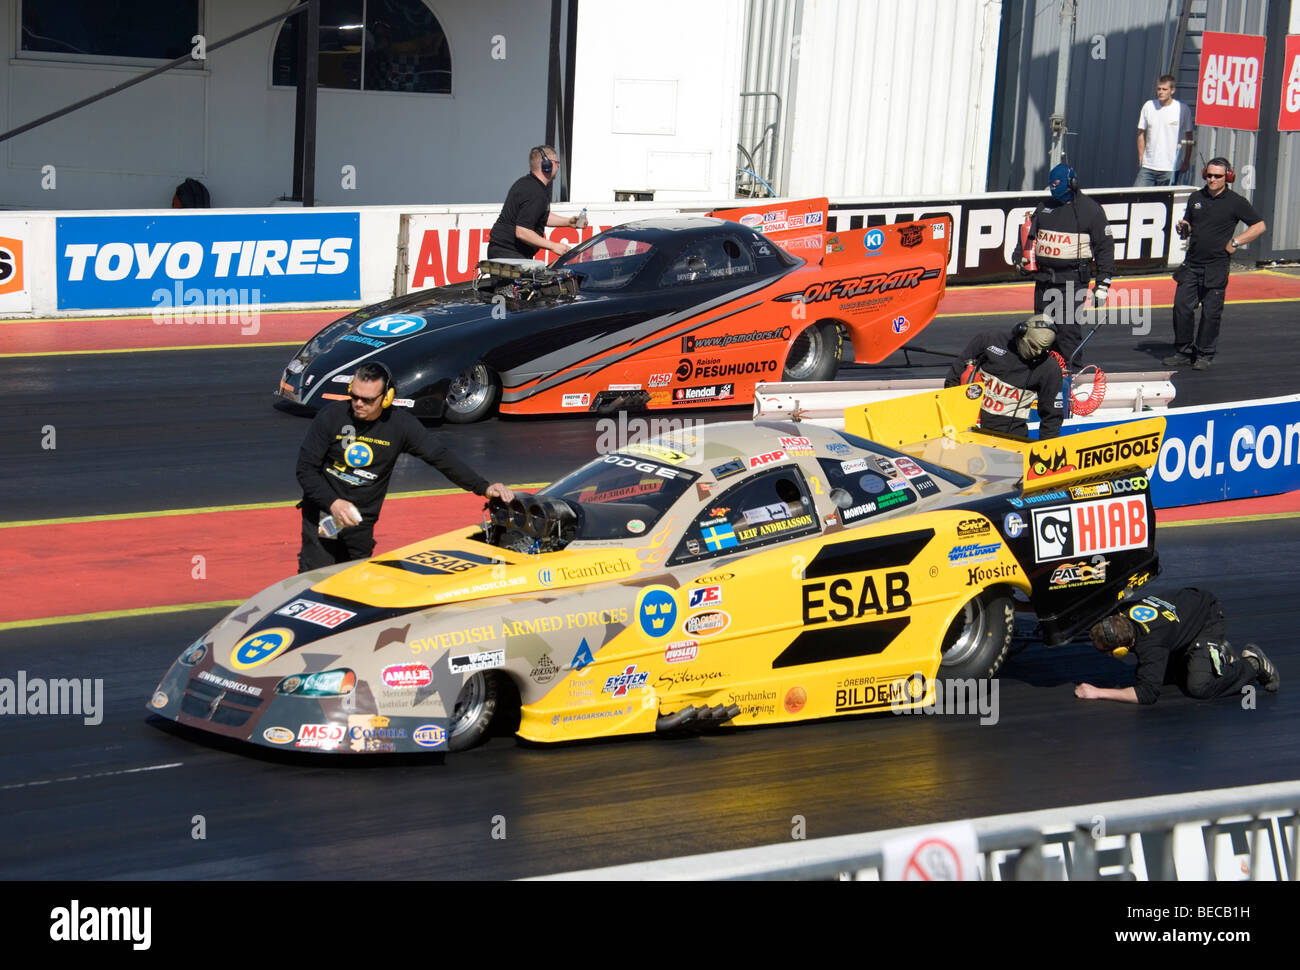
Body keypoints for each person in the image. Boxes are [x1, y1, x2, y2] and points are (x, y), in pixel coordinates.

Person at [295, 362, 514, 572]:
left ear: (386, 398)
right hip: (324, 512)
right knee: (314, 577)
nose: (358, 404)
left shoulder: (401, 426)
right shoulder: (331, 416)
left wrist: (482, 487)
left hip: (361, 519)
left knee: (355, 580)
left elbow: (441, 457)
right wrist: (333, 503)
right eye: (355, 396)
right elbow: (305, 470)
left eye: (368, 400)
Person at [1076, 588, 1279, 704]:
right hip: (1186, 610)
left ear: (1120, 650)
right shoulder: (1121, 612)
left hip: (1207, 621)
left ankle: (1253, 663)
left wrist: (1097, 692)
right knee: (1166, 676)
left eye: (1102, 650)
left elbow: (1147, 694)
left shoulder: (1151, 645)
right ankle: (1213, 656)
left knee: (1199, 686)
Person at [1162, 157, 1266, 370]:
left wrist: (1236, 241)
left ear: (1227, 177)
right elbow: (1189, 223)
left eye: (1217, 176)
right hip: (1192, 264)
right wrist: (1185, 228)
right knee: (1181, 308)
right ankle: (1182, 350)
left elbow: (1259, 226)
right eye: (1209, 175)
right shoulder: (1195, 198)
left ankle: (1204, 354)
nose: (1212, 179)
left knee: (1211, 313)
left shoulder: (1236, 202)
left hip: (1216, 266)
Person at [1013, 164, 1114, 364]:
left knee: (1067, 332)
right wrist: (1019, 259)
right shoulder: (1043, 208)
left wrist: (1103, 283)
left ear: (1072, 183)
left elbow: (1105, 248)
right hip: (1044, 280)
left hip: (1072, 281)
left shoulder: (1090, 210)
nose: (1053, 188)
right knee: (1040, 331)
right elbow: (1027, 238)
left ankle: (1071, 376)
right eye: (1051, 185)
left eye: (1057, 184)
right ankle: (1042, 375)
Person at [944, 315, 1064, 439]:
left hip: (1012, 440)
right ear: (1021, 332)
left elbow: (1052, 417)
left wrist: (1046, 450)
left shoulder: (1049, 368)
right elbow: (954, 378)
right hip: (967, 431)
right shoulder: (988, 340)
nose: (1037, 353)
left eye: (1043, 349)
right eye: (1033, 346)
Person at [486, 145, 585, 261]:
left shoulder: (528, 184)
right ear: (547, 165)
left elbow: (538, 215)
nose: (558, 167)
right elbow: (522, 231)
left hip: (503, 252)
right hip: (509, 254)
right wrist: (553, 246)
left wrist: (568, 222)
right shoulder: (535, 192)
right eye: (556, 163)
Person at [1135, 75, 1194, 187]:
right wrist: (1141, 156)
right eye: (1159, 89)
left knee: (1163, 201)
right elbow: (1141, 133)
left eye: (1164, 89)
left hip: (1170, 167)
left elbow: (1189, 137)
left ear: (1172, 90)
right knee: (1136, 197)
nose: (1161, 92)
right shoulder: (1149, 106)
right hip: (1149, 165)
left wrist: (1186, 161)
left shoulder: (1182, 109)